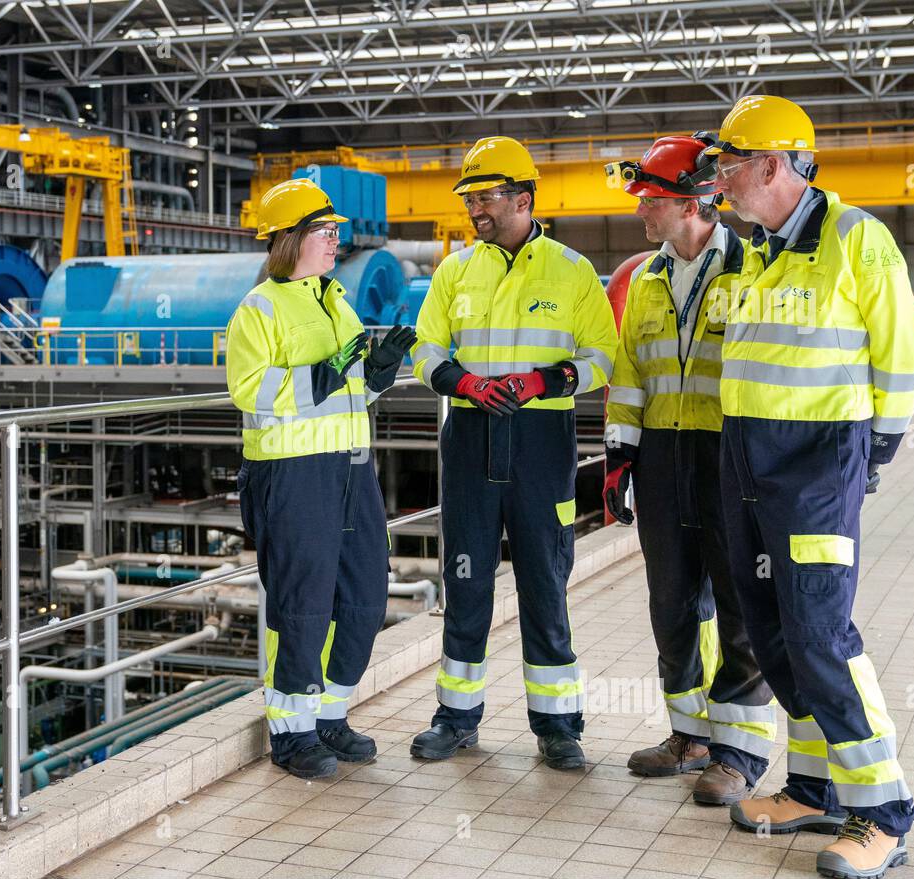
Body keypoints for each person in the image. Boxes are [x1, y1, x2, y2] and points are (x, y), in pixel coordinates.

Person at [704, 95, 914, 878]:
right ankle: (813, 786)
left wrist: (877, 449)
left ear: (771, 164)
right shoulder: (759, 246)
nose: (721, 178)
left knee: (820, 630)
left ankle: (883, 811)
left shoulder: (857, 239)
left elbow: (902, 349)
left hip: (817, 459)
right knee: (771, 628)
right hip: (747, 456)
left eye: (730, 163)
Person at [409, 136, 617, 768]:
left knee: (544, 581)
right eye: (471, 197)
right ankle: (456, 717)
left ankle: (558, 727)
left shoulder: (572, 270)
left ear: (524, 199)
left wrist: (540, 381)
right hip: (470, 438)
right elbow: (425, 350)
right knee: (466, 580)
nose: (476, 208)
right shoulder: (453, 272)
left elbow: (602, 358)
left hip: (541, 444)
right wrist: (464, 383)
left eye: (488, 196)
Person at [603, 135, 776, 805]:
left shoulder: (753, 269)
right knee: (671, 602)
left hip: (728, 457)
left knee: (738, 603)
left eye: (651, 202)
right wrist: (620, 457)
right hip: (663, 458)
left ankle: (738, 754)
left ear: (693, 203)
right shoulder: (644, 277)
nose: (641, 214)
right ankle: (689, 735)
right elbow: (629, 372)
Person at [226, 177, 415, 779]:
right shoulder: (260, 308)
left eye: (335, 232)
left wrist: (376, 374)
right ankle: (293, 731)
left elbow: (347, 389)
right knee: (301, 605)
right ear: (291, 240)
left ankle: (330, 716)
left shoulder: (335, 298)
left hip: (350, 470)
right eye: (325, 232)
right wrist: (324, 374)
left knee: (362, 597)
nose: (337, 241)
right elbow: (249, 393)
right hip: (291, 475)